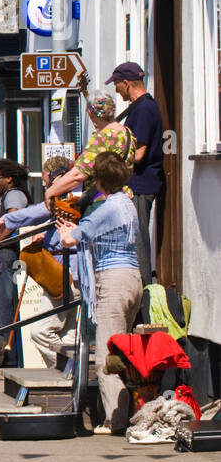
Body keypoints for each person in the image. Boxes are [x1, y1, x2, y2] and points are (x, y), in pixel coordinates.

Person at [57, 152, 140, 435]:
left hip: (113, 281)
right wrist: (79, 230)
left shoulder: (107, 208)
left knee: (108, 353)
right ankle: (123, 412)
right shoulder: (127, 203)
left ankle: (115, 420)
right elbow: (89, 233)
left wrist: (69, 231)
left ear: (100, 181)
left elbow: (70, 239)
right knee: (122, 350)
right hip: (132, 277)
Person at [0, 156, 78, 369]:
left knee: (39, 330)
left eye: (46, 177)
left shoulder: (65, 197)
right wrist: (47, 236)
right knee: (69, 334)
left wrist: (7, 219)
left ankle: (69, 369)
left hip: (65, 272)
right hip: (66, 272)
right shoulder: (68, 198)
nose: (44, 183)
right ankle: (70, 374)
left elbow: (44, 210)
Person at [108, 62, 164, 285]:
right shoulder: (140, 107)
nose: (116, 90)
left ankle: (144, 297)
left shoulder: (144, 109)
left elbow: (138, 154)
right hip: (137, 185)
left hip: (140, 186)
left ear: (126, 83)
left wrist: (109, 162)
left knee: (138, 240)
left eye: (116, 84)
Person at [46, 89, 137, 202]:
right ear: (113, 109)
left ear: (90, 114)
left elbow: (78, 174)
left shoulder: (102, 138)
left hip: (103, 201)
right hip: (125, 197)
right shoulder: (128, 133)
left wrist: (50, 192)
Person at [0, 158, 32, 367]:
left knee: (1, 305)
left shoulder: (14, 195)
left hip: (2, 255)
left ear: (9, 179)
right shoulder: (6, 195)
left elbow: (12, 221)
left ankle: (9, 356)